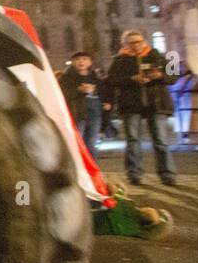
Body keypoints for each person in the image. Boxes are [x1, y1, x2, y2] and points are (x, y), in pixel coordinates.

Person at [104, 28, 177, 187]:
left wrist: (160, 76)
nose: (136, 45)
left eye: (139, 41)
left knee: (161, 140)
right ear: (125, 44)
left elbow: (174, 77)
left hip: (155, 103)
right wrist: (132, 79)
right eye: (131, 43)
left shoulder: (157, 55)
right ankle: (134, 174)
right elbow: (111, 80)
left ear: (144, 41)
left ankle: (167, 174)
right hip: (131, 104)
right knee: (132, 140)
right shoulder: (119, 60)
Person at [58, 51, 103, 157]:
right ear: (73, 62)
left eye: (84, 59)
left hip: (94, 113)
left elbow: (103, 91)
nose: (81, 62)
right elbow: (62, 94)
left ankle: (92, 169)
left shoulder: (94, 76)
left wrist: (96, 92)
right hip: (77, 113)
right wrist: (79, 90)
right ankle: (80, 168)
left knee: (92, 142)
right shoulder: (66, 77)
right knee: (78, 141)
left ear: (90, 62)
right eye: (77, 59)